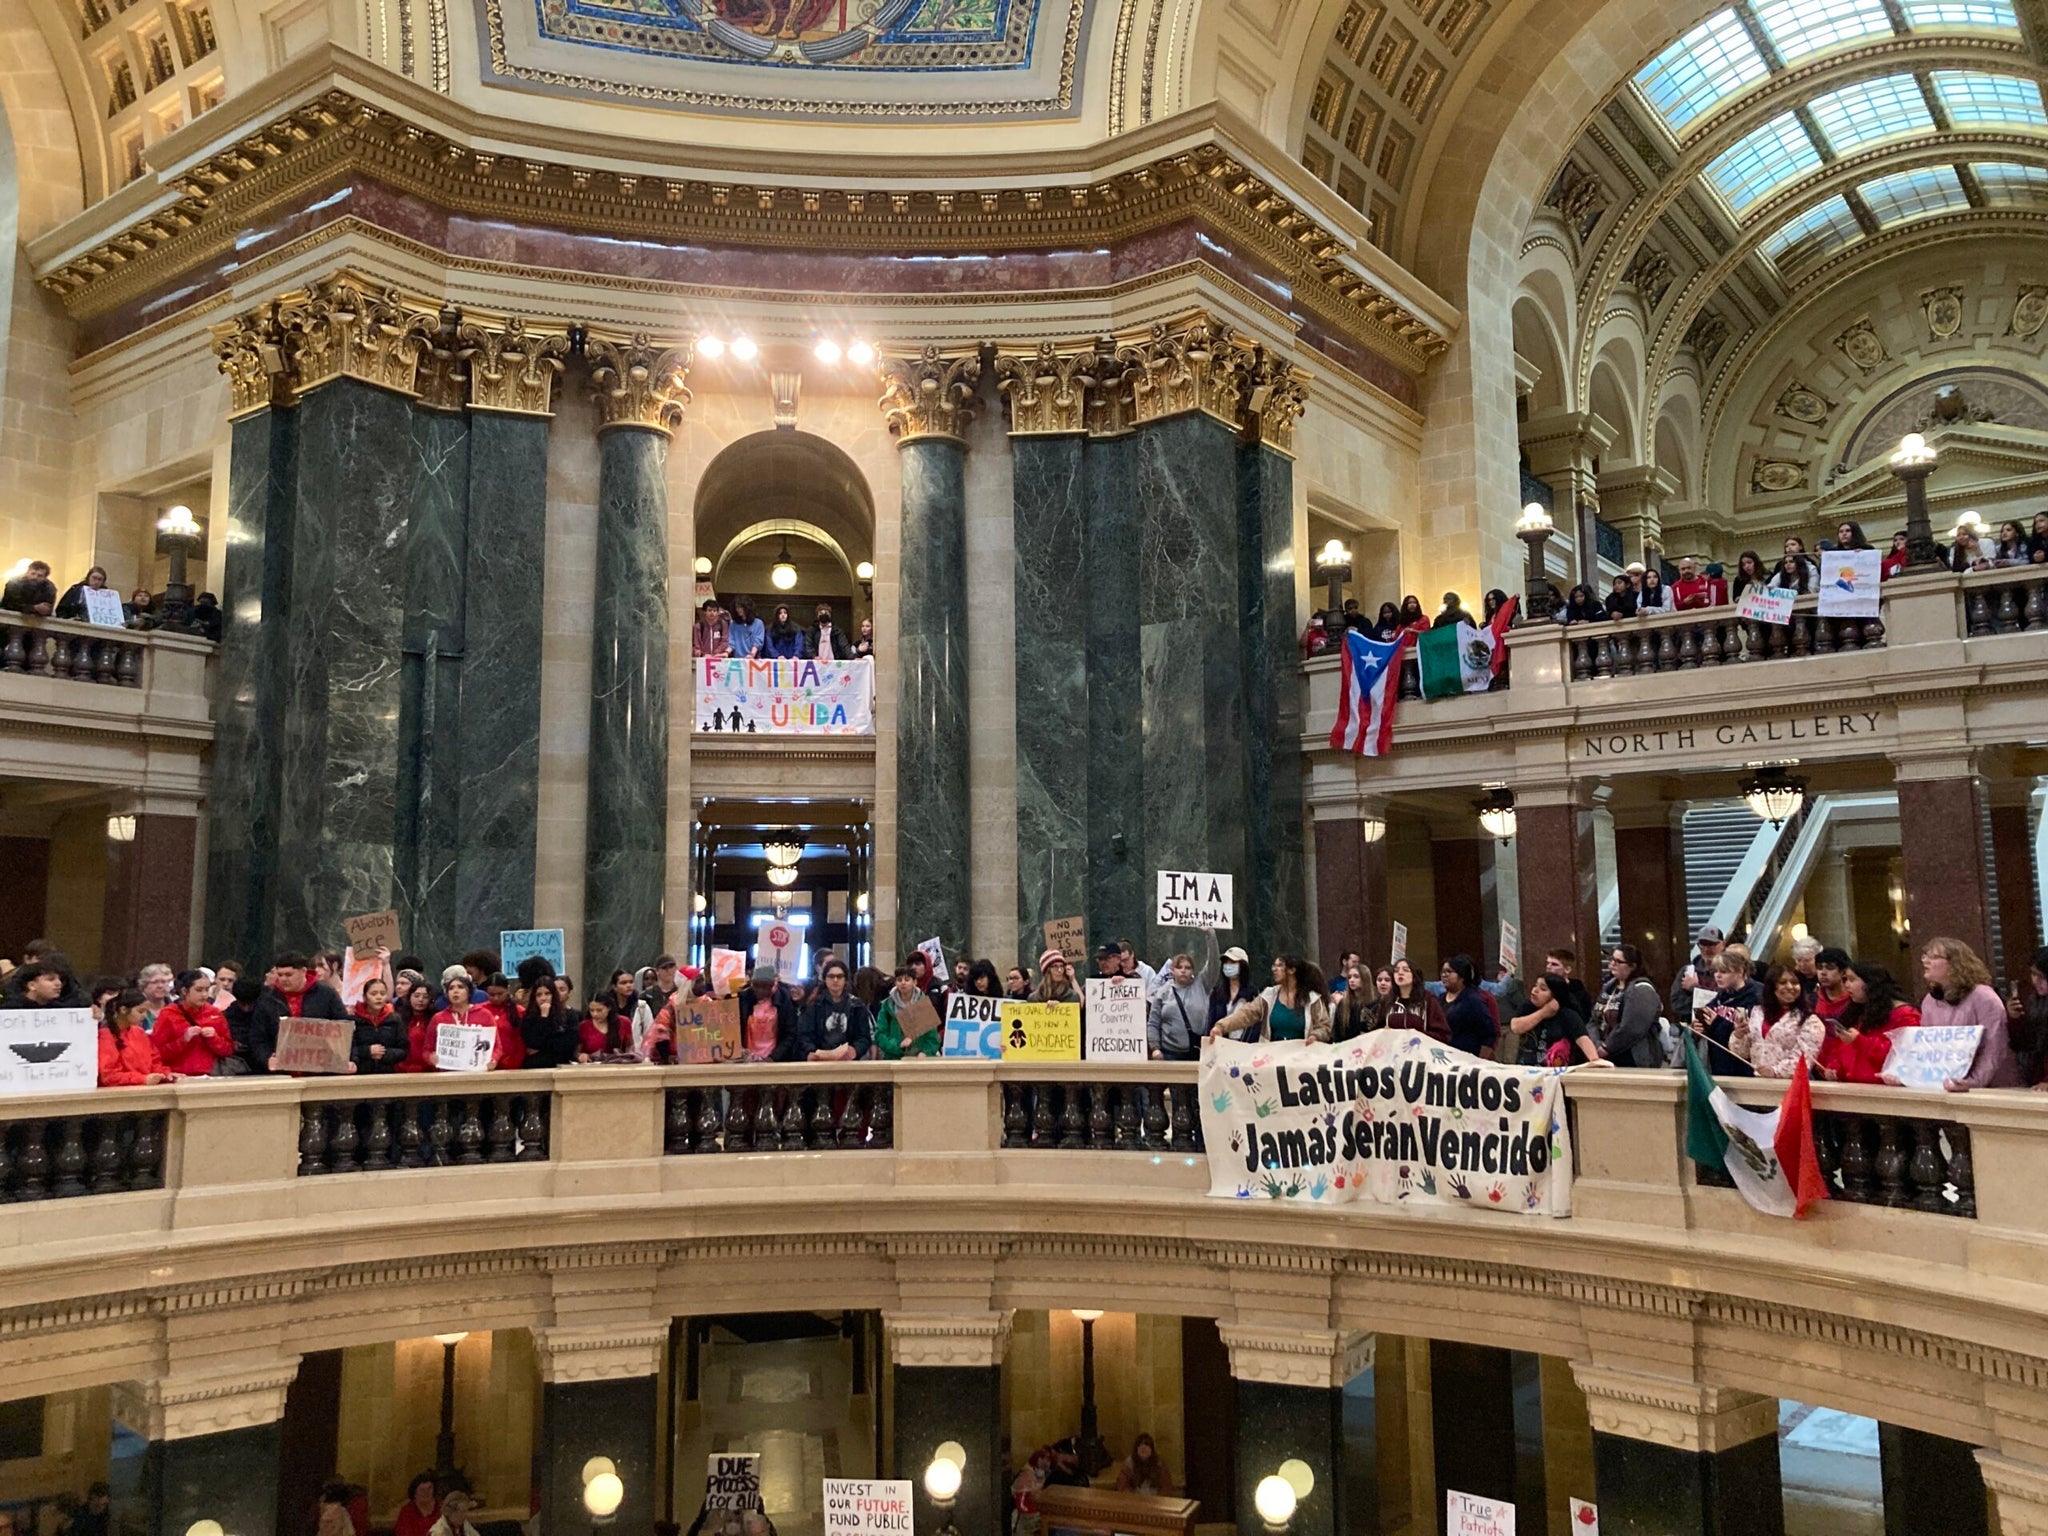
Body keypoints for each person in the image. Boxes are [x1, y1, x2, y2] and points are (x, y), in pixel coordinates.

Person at [1915, 937, 2022, 1090]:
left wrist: (1974, 1082)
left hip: (1994, 1087)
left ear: (1955, 965)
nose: (1925, 961)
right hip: (1947, 1085)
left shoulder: (1983, 996)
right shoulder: (1929, 1000)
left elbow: (1995, 1047)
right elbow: (1928, 1047)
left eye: (1934, 957)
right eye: (1925, 956)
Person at [1819, 961, 1919, 1084]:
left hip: (1887, 1089)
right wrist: (1836, 1068)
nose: (1846, 985)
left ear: (1871, 983)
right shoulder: (1858, 1011)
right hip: (1854, 1087)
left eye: (1852, 979)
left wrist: (1859, 1041)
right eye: (1845, 980)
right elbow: (1844, 1052)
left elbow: (1901, 1055)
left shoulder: (1905, 1015)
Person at [251, 951, 350, 1072]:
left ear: (303, 971)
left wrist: (349, 1060)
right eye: (280, 975)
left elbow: (344, 1028)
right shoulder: (267, 999)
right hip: (281, 1072)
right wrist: (267, 1058)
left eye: (289, 975)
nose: (283, 979)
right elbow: (258, 1037)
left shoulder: (327, 995)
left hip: (320, 1070)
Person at [1729, 965, 1822, 1078]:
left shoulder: (1811, 1021)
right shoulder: (1758, 1013)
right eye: (1783, 982)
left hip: (1793, 1084)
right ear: (1771, 987)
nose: (1790, 987)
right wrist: (1738, 1036)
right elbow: (1742, 1053)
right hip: (1758, 1081)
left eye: (1795, 983)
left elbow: (1805, 1057)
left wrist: (1775, 1071)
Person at [1217, 955, 1330, 1042]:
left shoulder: (1312, 999)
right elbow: (1247, 1014)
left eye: (1280, 966)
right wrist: (1221, 1027)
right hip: (1272, 1058)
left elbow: (1324, 1026)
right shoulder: (1269, 996)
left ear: (1292, 970)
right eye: (1274, 965)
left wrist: (1316, 1036)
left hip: (1303, 1059)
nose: (1274, 969)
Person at [150, 969, 235, 1076]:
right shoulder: (168, 1014)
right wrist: (183, 1040)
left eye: (207, 989)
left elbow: (228, 1050)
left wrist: (214, 1038)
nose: (204, 995)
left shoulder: (215, 1012)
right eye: (199, 990)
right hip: (180, 1075)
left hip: (211, 1075)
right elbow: (156, 1053)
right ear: (185, 991)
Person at [1595, 945, 1666, 1067]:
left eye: (1618, 961)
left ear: (1633, 966)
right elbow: (1594, 1019)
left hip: (1633, 1057)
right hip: (1605, 1053)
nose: (1612, 964)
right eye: (1611, 959)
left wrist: (1606, 1048)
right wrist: (1594, 1043)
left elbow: (1632, 1028)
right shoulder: (1609, 988)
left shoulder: (1642, 989)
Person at [1696, 948, 1761, 1077]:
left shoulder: (1756, 997)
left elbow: (1751, 1033)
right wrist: (1698, 1028)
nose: (1718, 976)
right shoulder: (1720, 997)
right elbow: (1707, 1020)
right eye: (1715, 971)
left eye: (1724, 972)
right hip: (1719, 1066)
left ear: (1740, 972)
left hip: (1745, 1069)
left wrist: (1717, 1023)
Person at [1513, 971, 1598, 1065]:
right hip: (1525, 1066)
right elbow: (1516, 1027)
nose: (1535, 990)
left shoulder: (1568, 1014)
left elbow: (1583, 1039)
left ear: (1555, 995)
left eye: (1543, 989)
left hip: (1556, 1068)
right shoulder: (1527, 1006)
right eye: (1535, 985)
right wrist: (1543, 1012)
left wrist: (1595, 1060)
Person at [798, 957, 873, 1060]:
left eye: (839, 976)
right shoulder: (813, 1005)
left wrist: (855, 1050)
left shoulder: (857, 1005)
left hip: (849, 1062)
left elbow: (864, 1037)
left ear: (845, 980)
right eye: (831, 976)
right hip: (819, 1060)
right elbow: (804, 1036)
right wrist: (810, 1051)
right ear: (825, 979)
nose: (835, 980)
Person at [1147, 953, 1211, 1061]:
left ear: (1192, 971)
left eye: (1187, 968)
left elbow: (1213, 964)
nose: (1183, 970)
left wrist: (1211, 942)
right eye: (1179, 967)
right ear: (1172, 970)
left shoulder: (1201, 985)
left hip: (1196, 1051)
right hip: (1168, 1053)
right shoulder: (1162, 992)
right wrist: (1155, 1048)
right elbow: (1153, 1023)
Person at [100, 987, 169, 1085]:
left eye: (146, 1011)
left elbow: (155, 1061)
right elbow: (109, 1075)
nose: (144, 1016)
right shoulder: (106, 1036)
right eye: (140, 1011)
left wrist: (165, 1074)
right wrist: (142, 1079)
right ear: (123, 1010)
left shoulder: (139, 1032)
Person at [876, 964, 940, 1059]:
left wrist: (925, 1052)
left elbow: (933, 1037)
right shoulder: (887, 1005)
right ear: (895, 983)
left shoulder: (923, 1004)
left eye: (907, 980)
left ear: (915, 982)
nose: (903, 983)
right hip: (893, 1058)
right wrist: (898, 1046)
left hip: (920, 1059)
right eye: (899, 980)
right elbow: (880, 1034)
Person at [1439, 955, 1496, 1058]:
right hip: (1443, 1058)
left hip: (1467, 1058)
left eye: (1449, 971)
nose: (1444, 975)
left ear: (1462, 976)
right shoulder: (1440, 999)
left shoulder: (1473, 1000)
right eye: (1442, 972)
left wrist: (1480, 1061)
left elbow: (1489, 1034)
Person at [741, 963, 801, 1061]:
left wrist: (774, 1057)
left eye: (765, 987)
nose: (760, 990)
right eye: (756, 986)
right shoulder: (743, 998)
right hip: (746, 1058)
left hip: (774, 1058)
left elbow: (790, 1033)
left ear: (773, 986)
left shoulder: (784, 999)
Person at [2007, 947, 2048, 1087]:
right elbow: (2026, 1045)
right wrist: (2015, 1019)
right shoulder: (2035, 1002)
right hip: (2034, 1079)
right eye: (2033, 974)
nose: (2036, 981)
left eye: (2042, 976)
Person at [1669, 925, 1725, 1027]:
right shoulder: (1688, 972)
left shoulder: (1730, 972)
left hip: (1722, 1028)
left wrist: (1695, 989)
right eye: (1703, 944)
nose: (1707, 949)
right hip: (1694, 1029)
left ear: (1722, 945)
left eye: (1712, 944)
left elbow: (1724, 1003)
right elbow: (1676, 1005)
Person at [1382, 958, 1449, 1041]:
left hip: (1421, 1047)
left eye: (1406, 970)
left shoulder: (1428, 1000)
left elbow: (1443, 1034)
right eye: (1396, 971)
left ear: (1414, 975)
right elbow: (1378, 1030)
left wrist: (1415, 1036)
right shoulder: (1388, 1000)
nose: (1400, 973)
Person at [521, 979, 580, 1067]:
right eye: (539, 995)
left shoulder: (569, 1015)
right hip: (535, 1066)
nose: (543, 998)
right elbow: (533, 1043)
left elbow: (568, 1046)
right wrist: (544, 1017)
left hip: (561, 1065)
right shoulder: (529, 1017)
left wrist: (543, 1049)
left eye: (547, 993)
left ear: (554, 995)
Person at [1329, 958, 1379, 1040]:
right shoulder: (1343, 1004)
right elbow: (1337, 1031)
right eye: (1349, 977)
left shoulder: (1374, 1003)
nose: (1351, 980)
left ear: (1365, 979)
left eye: (1356, 977)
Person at [1209, 946, 1255, 1027]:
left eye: (1233, 962)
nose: (1228, 966)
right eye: (1226, 963)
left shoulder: (1252, 994)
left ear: (1242, 965)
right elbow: (1211, 1021)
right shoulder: (1216, 993)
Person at [578, 994, 635, 1060]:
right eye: (592, 1010)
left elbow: (630, 1045)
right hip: (593, 1063)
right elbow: (576, 1052)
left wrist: (628, 1055)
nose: (595, 1014)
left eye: (599, 1010)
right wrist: (582, 1056)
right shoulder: (584, 1026)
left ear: (609, 1008)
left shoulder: (624, 1022)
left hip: (618, 1062)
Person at [1811, 946, 1853, 1025]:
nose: (1823, 972)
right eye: (1819, 967)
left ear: (1843, 972)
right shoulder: (1811, 1000)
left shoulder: (1854, 999)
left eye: (1830, 968)